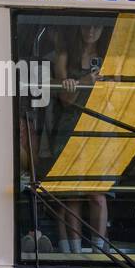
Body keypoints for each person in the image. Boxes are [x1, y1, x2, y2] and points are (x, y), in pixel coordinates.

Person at [50, 23, 110, 253]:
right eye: (86, 27)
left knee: (98, 194)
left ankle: (99, 250)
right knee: (72, 193)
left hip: (99, 127)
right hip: (69, 127)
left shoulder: (109, 59)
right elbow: (65, 99)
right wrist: (86, 82)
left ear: (103, 31)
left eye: (96, 28)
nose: (90, 31)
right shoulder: (64, 56)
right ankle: (74, 252)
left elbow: (115, 93)